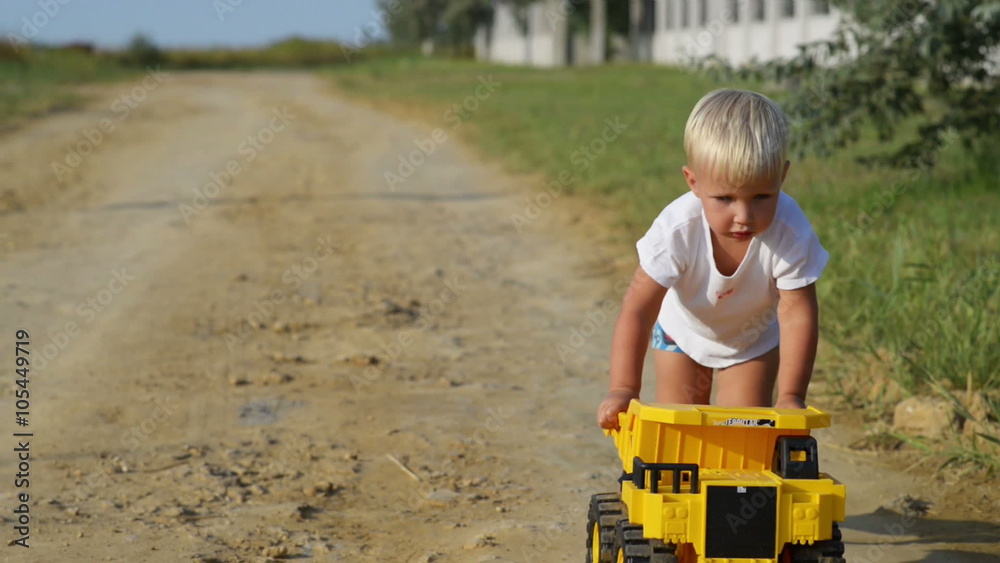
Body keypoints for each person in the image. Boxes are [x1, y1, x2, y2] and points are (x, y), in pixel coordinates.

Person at [597, 89, 829, 430]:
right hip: (683, 333)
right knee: (683, 436)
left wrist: (791, 397)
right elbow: (638, 308)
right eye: (724, 198)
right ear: (693, 181)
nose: (744, 216)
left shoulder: (790, 231)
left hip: (751, 340)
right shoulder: (677, 230)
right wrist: (623, 388)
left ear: (782, 176)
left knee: (744, 435)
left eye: (762, 197)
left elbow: (797, 313)